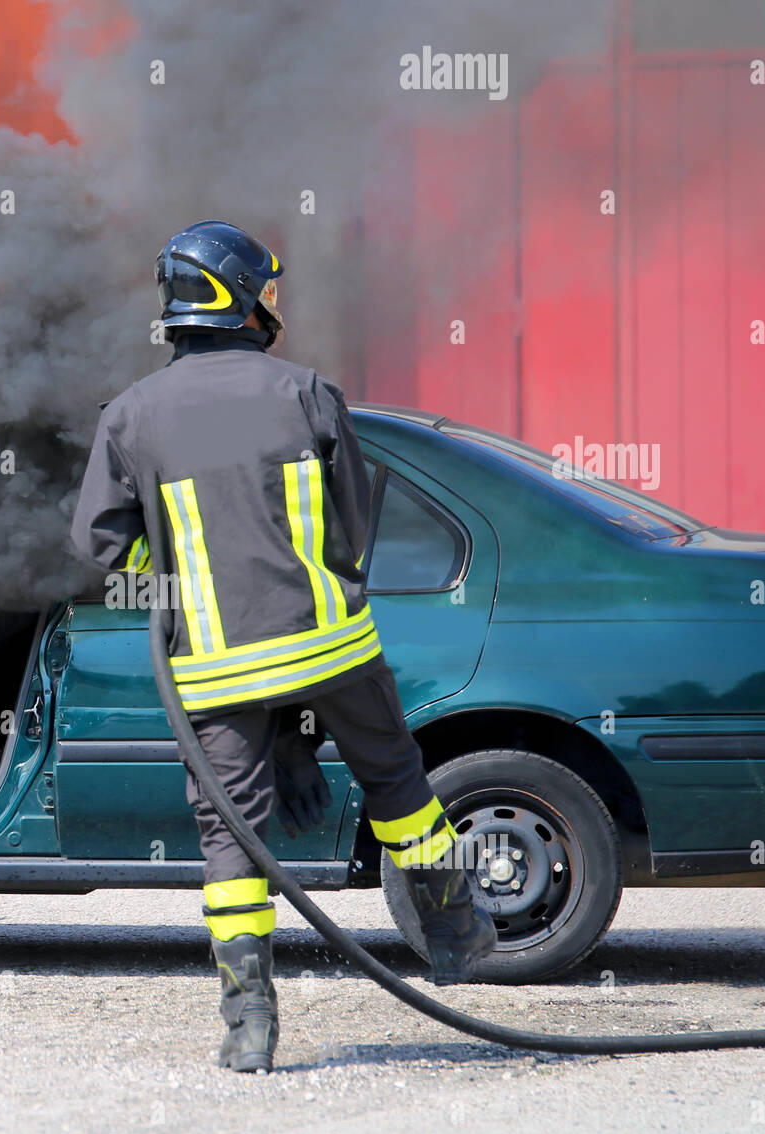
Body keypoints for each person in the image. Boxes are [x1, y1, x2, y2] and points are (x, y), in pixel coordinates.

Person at [70, 220, 495, 1073]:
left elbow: (100, 547)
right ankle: (454, 933)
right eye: (265, 285)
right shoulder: (305, 392)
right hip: (333, 647)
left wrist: (185, 564)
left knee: (230, 837)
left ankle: (249, 1022)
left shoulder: (131, 417)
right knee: (398, 785)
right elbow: (353, 522)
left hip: (216, 669)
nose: (275, 301)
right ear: (235, 296)